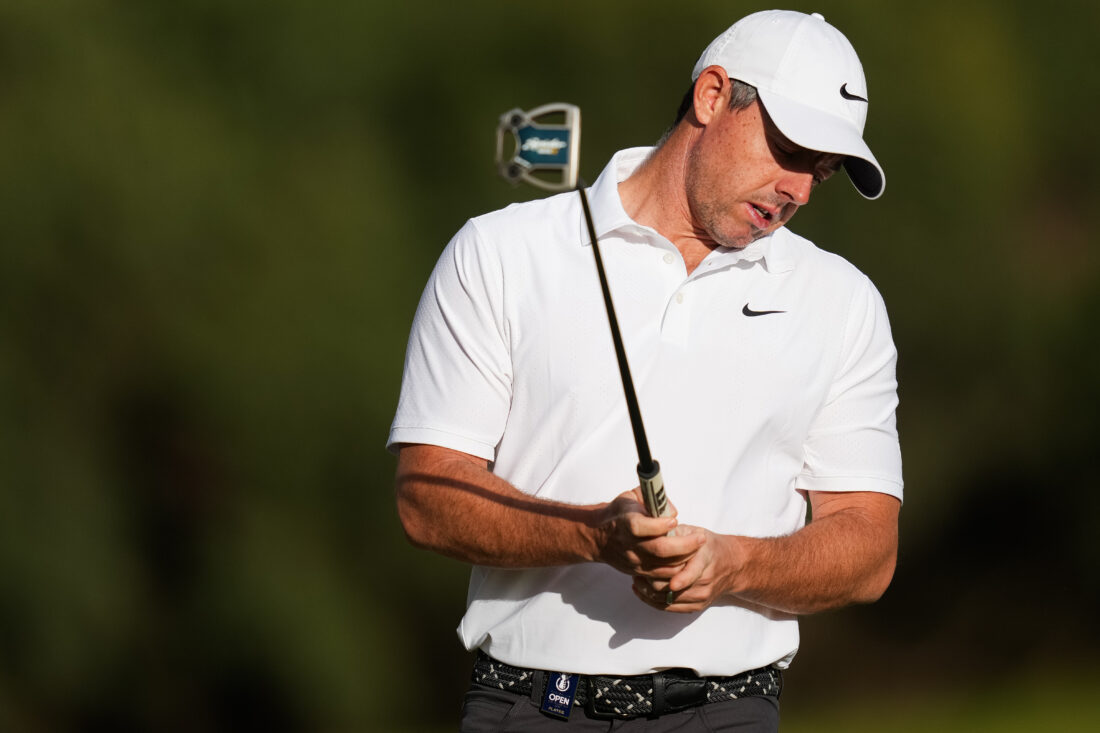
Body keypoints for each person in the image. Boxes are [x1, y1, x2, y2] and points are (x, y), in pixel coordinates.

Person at [388, 10, 902, 732]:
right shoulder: (500, 253)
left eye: (821, 170)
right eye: (790, 150)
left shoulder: (843, 301)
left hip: (728, 712)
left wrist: (735, 564)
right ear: (713, 96)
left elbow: (870, 548)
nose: (801, 190)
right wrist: (593, 534)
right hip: (529, 706)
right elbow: (426, 495)